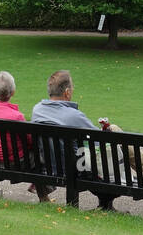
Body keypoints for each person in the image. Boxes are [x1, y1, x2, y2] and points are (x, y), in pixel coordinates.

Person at [30, 70, 114, 208]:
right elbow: (100, 141)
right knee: (114, 131)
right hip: (77, 170)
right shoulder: (74, 116)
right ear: (67, 92)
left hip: (50, 166)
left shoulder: (37, 110)